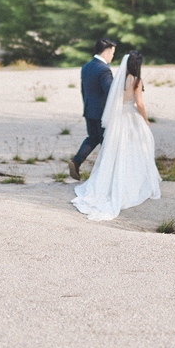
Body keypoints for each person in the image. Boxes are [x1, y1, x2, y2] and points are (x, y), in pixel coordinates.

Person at [71, 51, 162, 221]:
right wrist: (146, 119)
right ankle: (133, 183)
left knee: (116, 150)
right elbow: (140, 104)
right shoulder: (136, 80)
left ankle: (112, 180)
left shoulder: (118, 80)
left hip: (119, 119)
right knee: (137, 149)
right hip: (131, 116)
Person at [68, 38, 116, 181]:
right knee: (107, 143)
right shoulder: (104, 69)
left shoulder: (86, 66)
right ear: (106, 52)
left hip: (89, 109)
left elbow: (84, 90)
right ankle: (107, 175)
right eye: (112, 53)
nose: (112, 57)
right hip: (102, 112)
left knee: (92, 138)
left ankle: (76, 161)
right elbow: (110, 92)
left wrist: (87, 106)